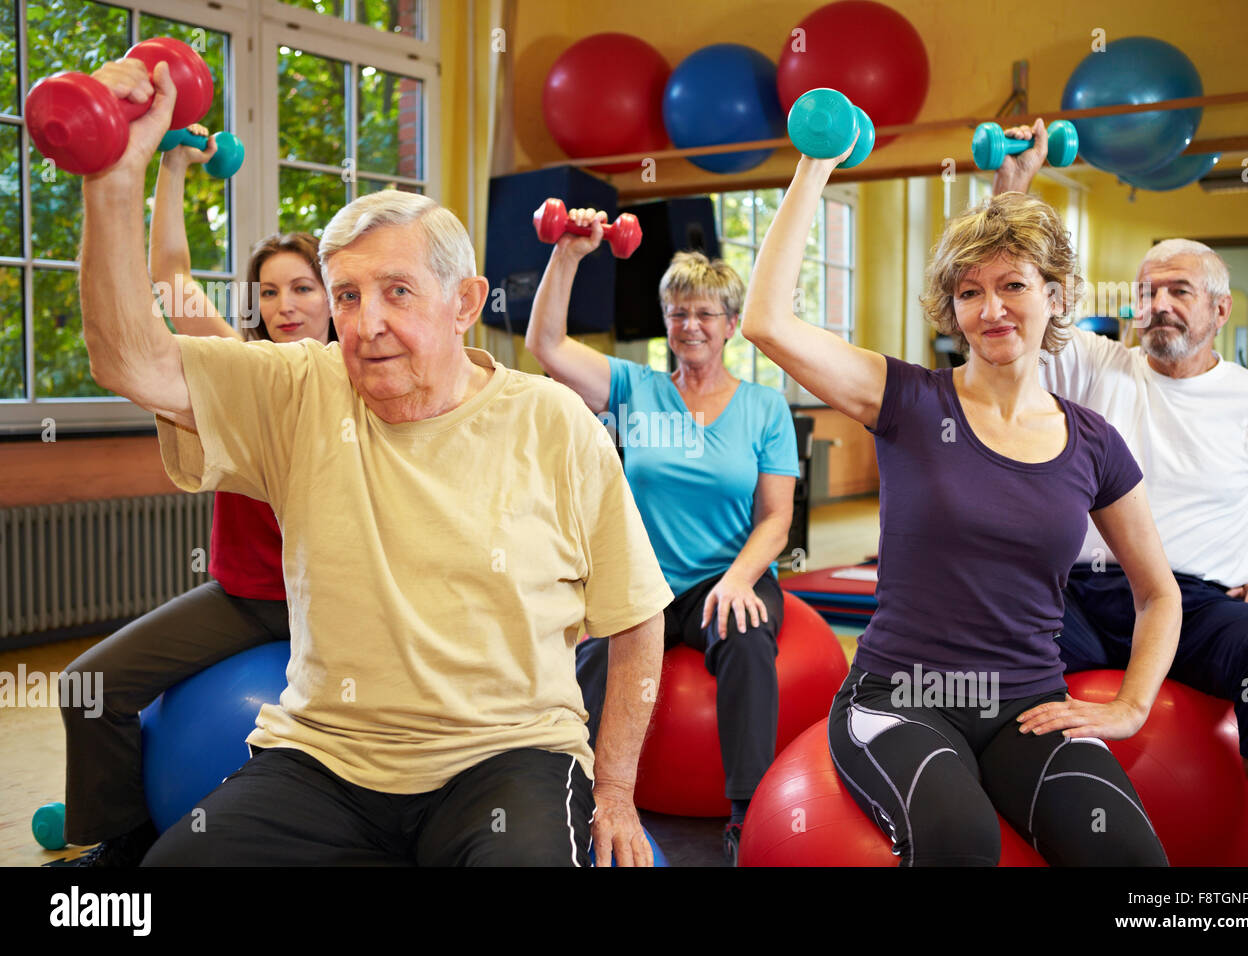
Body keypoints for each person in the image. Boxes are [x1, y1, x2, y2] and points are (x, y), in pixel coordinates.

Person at [77, 55, 672, 867]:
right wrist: (112, 177)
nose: (364, 325)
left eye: (397, 292)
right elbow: (130, 363)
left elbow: (636, 621)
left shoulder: (553, 421)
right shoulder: (301, 387)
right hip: (326, 759)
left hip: (508, 756)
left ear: (464, 303)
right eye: (348, 295)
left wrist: (614, 790)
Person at [741, 139, 1182, 866]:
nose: (992, 309)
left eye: (1013, 285)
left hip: (1028, 708)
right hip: (899, 697)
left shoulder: (1092, 443)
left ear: (1056, 297)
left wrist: (1131, 705)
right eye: (970, 292)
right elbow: (766, 323)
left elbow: (1158, 593)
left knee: (1132, 859)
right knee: (960, 842)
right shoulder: (908, 400)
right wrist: (816, 166)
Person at [996, 122, 1248, 868]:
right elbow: (1014, 288)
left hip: (1194, 606)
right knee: (991, 655)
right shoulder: (1098, 364)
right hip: (1077, 593)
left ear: (1218, 311)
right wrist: (1014, 182)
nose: (1158, 304)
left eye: (1179, 291)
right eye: (1146, 291)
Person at [56, 125, 334, 867]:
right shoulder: (242, 372)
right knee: (90, 686)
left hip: (338, 607)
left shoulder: (360, 386)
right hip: (244, 598)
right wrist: (173, 166)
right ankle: (126, 841)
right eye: (269, 290)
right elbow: (171, 275)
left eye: (303, 287)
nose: (285, 303)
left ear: (334, 296)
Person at [526, 217, 799, 864]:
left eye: (706, 313)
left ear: (732, 325)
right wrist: (568, 254)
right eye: (678, 313)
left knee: (746, 636)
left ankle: (745, 812)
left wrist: (737, 579)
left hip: (727, 573)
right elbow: (547, 344)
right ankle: (568, 798)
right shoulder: (634, 390)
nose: (691, 325)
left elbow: (776, 520)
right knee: (587, 666)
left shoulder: (765, 407)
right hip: (644, 580)